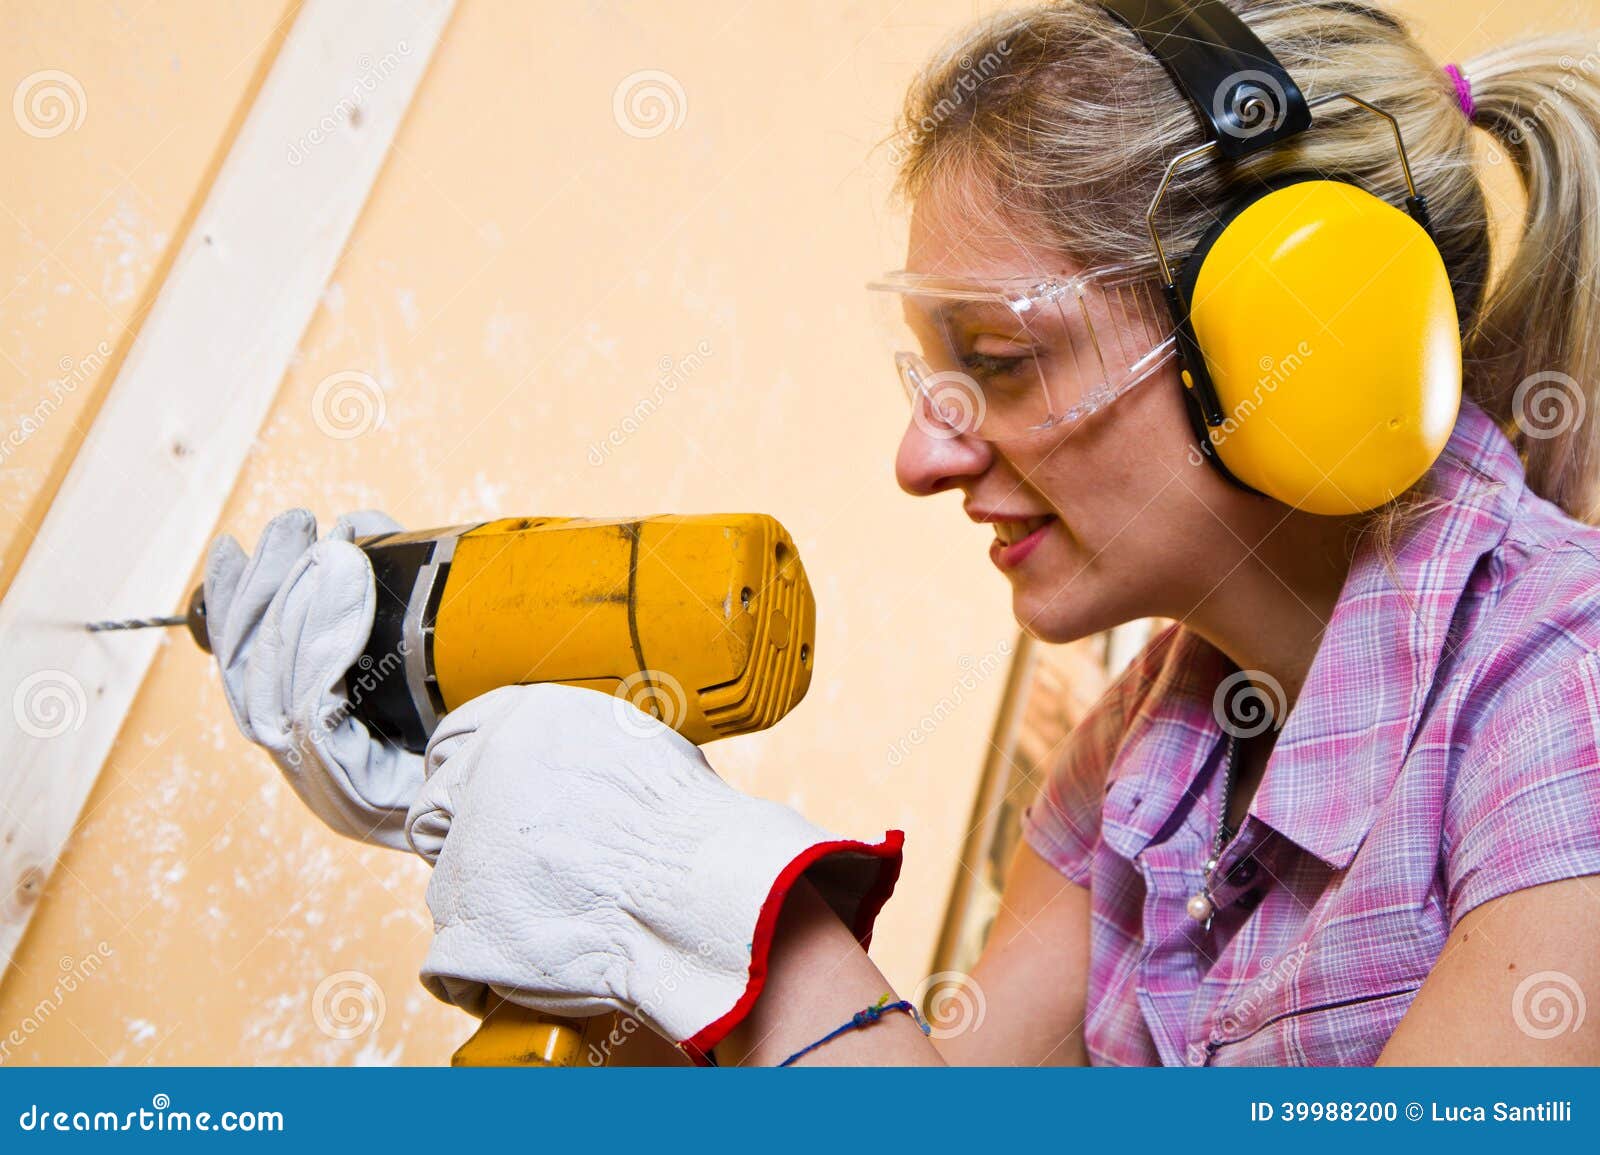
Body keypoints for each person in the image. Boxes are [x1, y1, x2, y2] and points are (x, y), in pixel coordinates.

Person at [209, 0, 1600, 1066]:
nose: (921, 456)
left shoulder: (1564, 695)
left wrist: (755, 926)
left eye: (1001, 358)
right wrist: (501, 828)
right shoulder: (1145, 756)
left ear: (1309, 343)